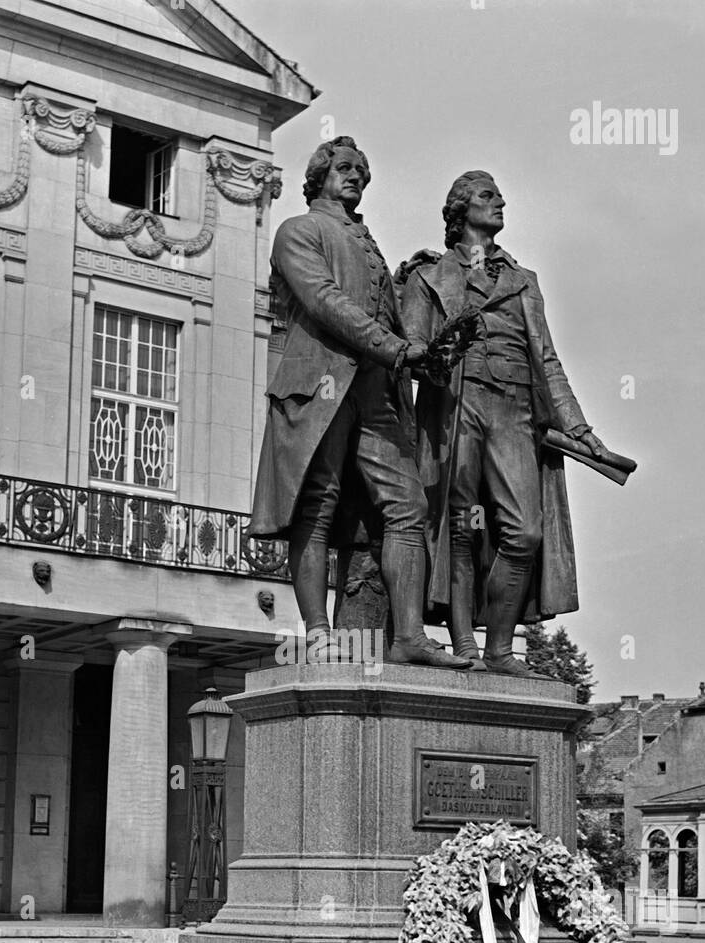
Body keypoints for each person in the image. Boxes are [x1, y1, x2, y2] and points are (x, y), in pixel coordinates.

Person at [247, 137, 469, 668]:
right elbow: (326, 302)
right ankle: (319, 632)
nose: (355, 177)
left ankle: (409, 637)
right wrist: (398, 350)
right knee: (316, 508)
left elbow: (388, 316)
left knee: (407, 506)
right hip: (318, 385)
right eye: (344, 168)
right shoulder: (298, 231)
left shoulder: (369, 244)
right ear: (319, 176)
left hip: (374, 391)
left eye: (361, 172)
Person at [400, 170, 608, 676]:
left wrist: (577, 425)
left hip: (514, 409)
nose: (501, 202)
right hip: (458, 402)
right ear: (459, 208)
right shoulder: (430, 275)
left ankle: (499, 648)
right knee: (462, 526)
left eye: (498, 195)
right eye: (488, 196)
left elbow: (548, 358)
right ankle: (466, 645)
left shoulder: (524, 281)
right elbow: (409, 350)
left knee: (524, 533)